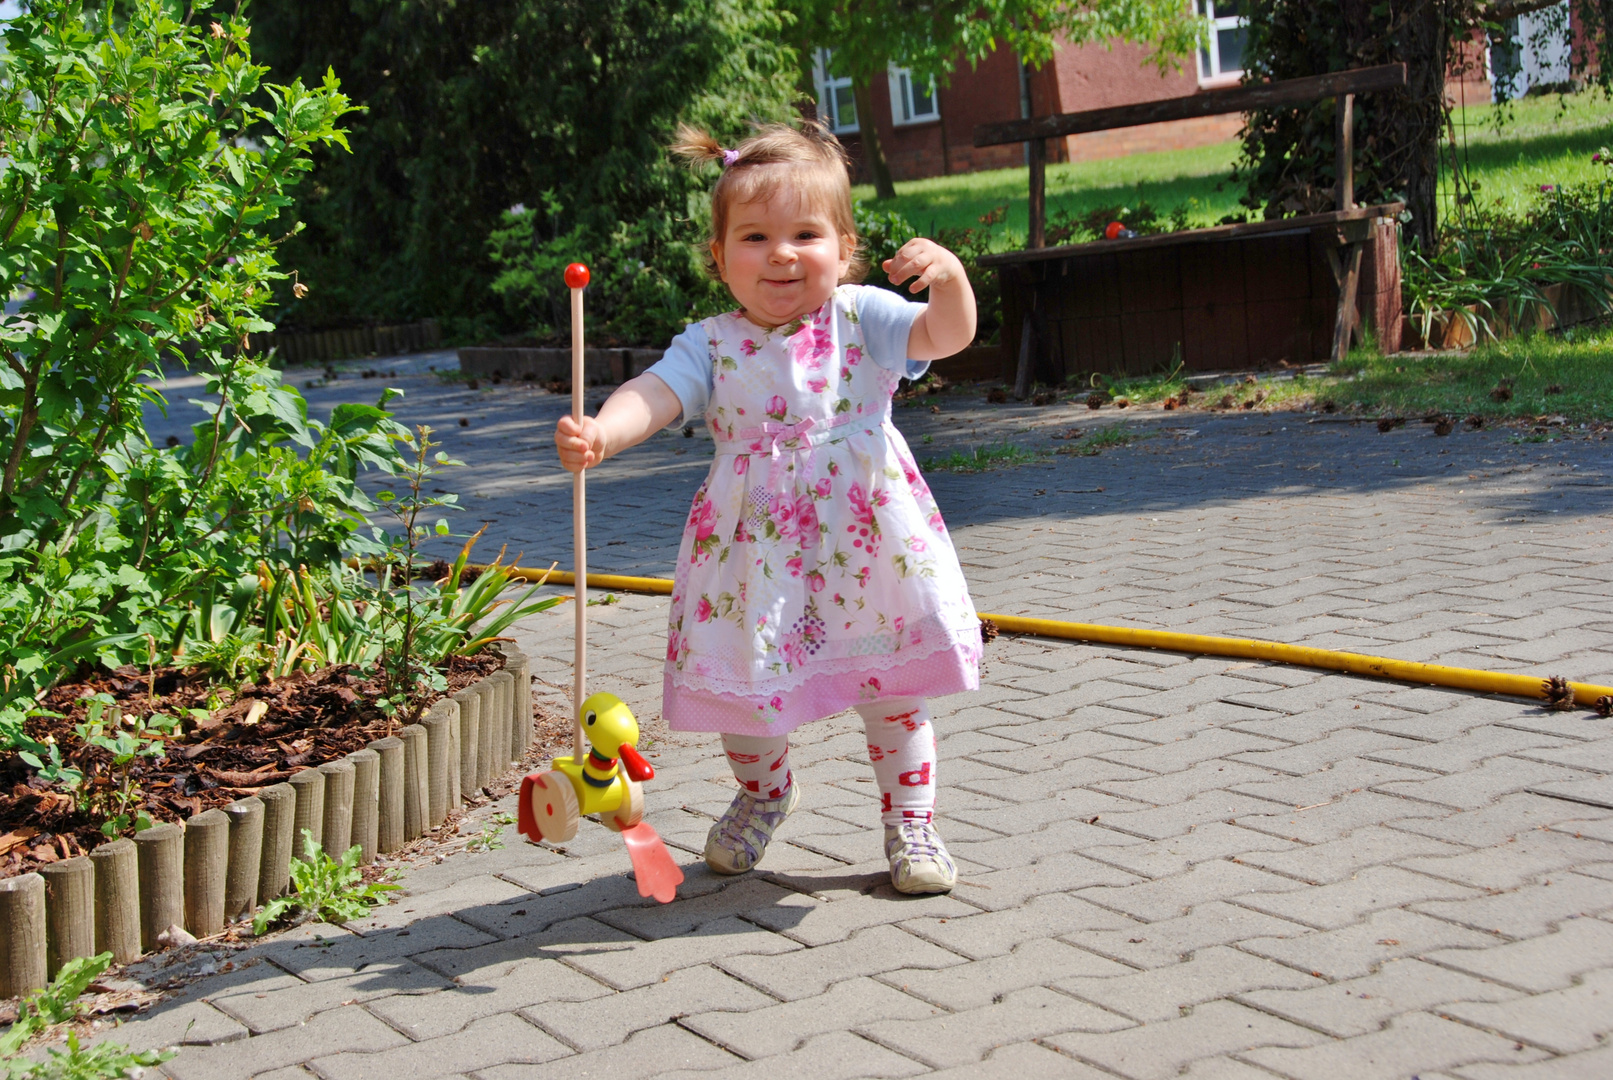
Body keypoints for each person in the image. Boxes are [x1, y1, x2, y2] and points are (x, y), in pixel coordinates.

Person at [553, 120, 982, 894]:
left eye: (804, 235)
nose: (781, 254)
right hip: (753, 556)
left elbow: (943, 336)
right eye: (754, 237)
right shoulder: (710, 344)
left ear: (843, 248)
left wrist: (948, 280)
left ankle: (911, 820)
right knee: (744, 696)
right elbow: (655, 393)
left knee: (892, 688)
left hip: (867, 547)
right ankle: (764, 792)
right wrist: (603, 433)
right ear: (719, 258)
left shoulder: (862, 317)